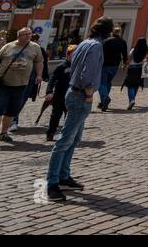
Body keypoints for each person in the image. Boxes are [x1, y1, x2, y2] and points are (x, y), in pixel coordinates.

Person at [45, 17, 112, 201]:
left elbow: (74, 65)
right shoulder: (97, 46)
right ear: (106, 31)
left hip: (72, 92)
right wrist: (90, 93)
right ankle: (51, 183)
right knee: (65, 140)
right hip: (81, 95)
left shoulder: (83, 43)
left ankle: (64, 175)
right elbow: (87, 73)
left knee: (74, 139)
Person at [0, 26, 44, 149]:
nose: (28, 36)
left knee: (11, 111)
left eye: (29, 34)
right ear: (19, 36)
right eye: (25, 34)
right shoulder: (8, 47)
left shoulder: (35, 48)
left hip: (21, 85)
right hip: (3, 83)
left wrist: (39, 75)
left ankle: (4, 133)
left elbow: (39, 62)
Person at [43, 46, 76, 142]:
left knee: (69, 116)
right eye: (73, 54)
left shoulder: (78, 67)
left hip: (72, 95)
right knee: (55, 115)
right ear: (68, 55)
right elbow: (52, 79)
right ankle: (50, 133)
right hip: (59, 95)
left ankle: (67, 135)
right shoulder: (61, 66)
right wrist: (49, 92)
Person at [98, 26, 128, 111]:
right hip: (115, 65)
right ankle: (103, 101)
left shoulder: (107, 41)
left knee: (102, 82)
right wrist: (125, 64)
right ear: (120, 33)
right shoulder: (123, 42)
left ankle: (105, 98)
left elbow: (101, 52)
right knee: (108, 82)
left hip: (105, 64)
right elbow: (125, 55)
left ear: (112, 32)